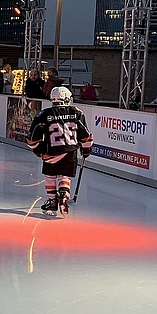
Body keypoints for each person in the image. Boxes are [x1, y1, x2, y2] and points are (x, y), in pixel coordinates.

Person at [26, 86, 93, 218]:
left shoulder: (44, 114)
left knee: (50, 177)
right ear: (68, 99)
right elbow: (85, 134)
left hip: (51, 150)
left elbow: (33, 136)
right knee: (64, 176)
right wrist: (86, 149)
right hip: (70, 151)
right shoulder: (77, 112)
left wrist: (37, 149)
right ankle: (64, 193)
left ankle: (52, 201)